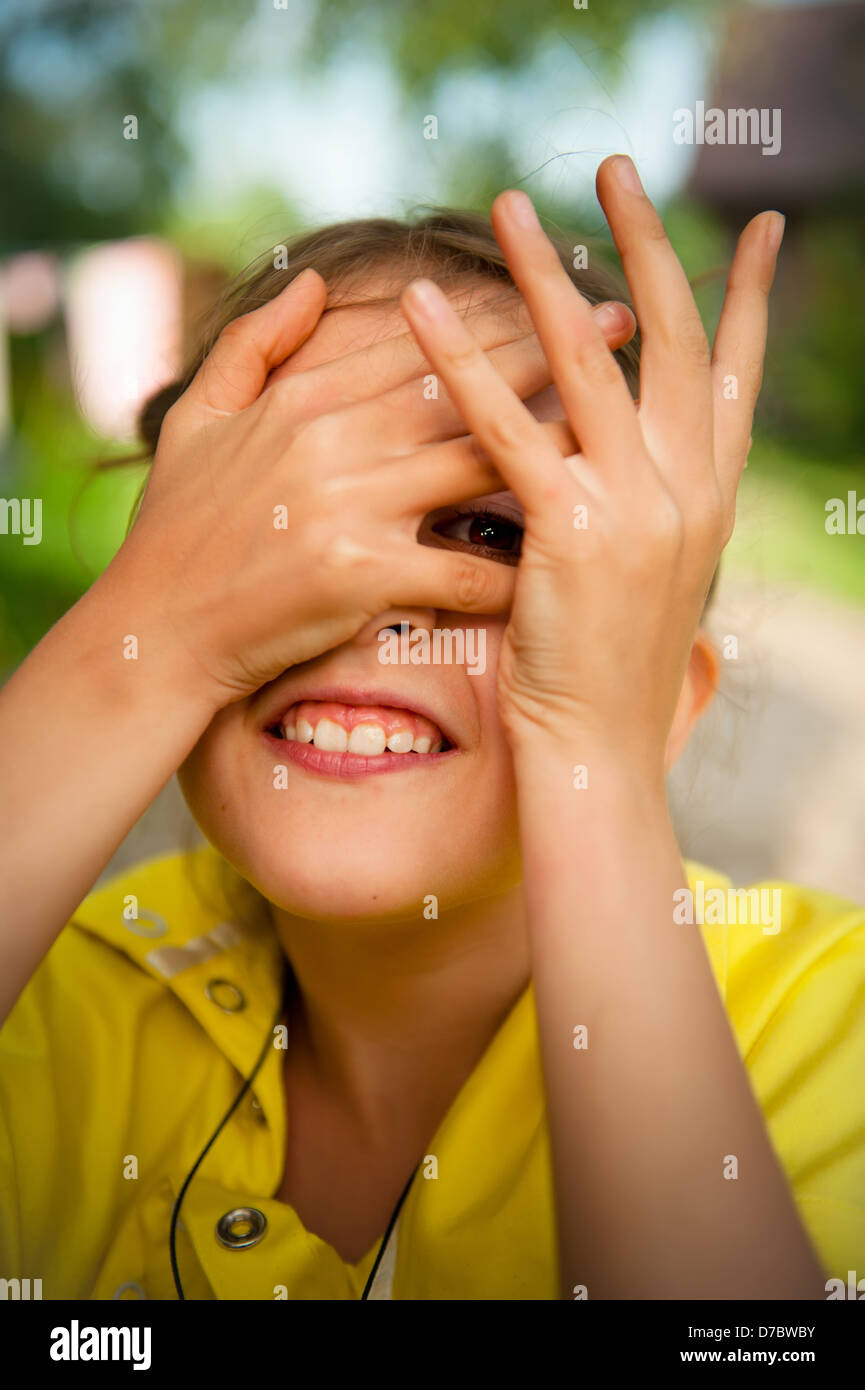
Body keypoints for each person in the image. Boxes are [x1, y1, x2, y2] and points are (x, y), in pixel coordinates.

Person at [1, 154, 863, 1301]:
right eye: (283, 527)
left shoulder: (830, 1023)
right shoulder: (65, 978)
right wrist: (141, 651)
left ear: (664, 702)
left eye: (499, 533)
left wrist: (589, 760)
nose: (364, 596)